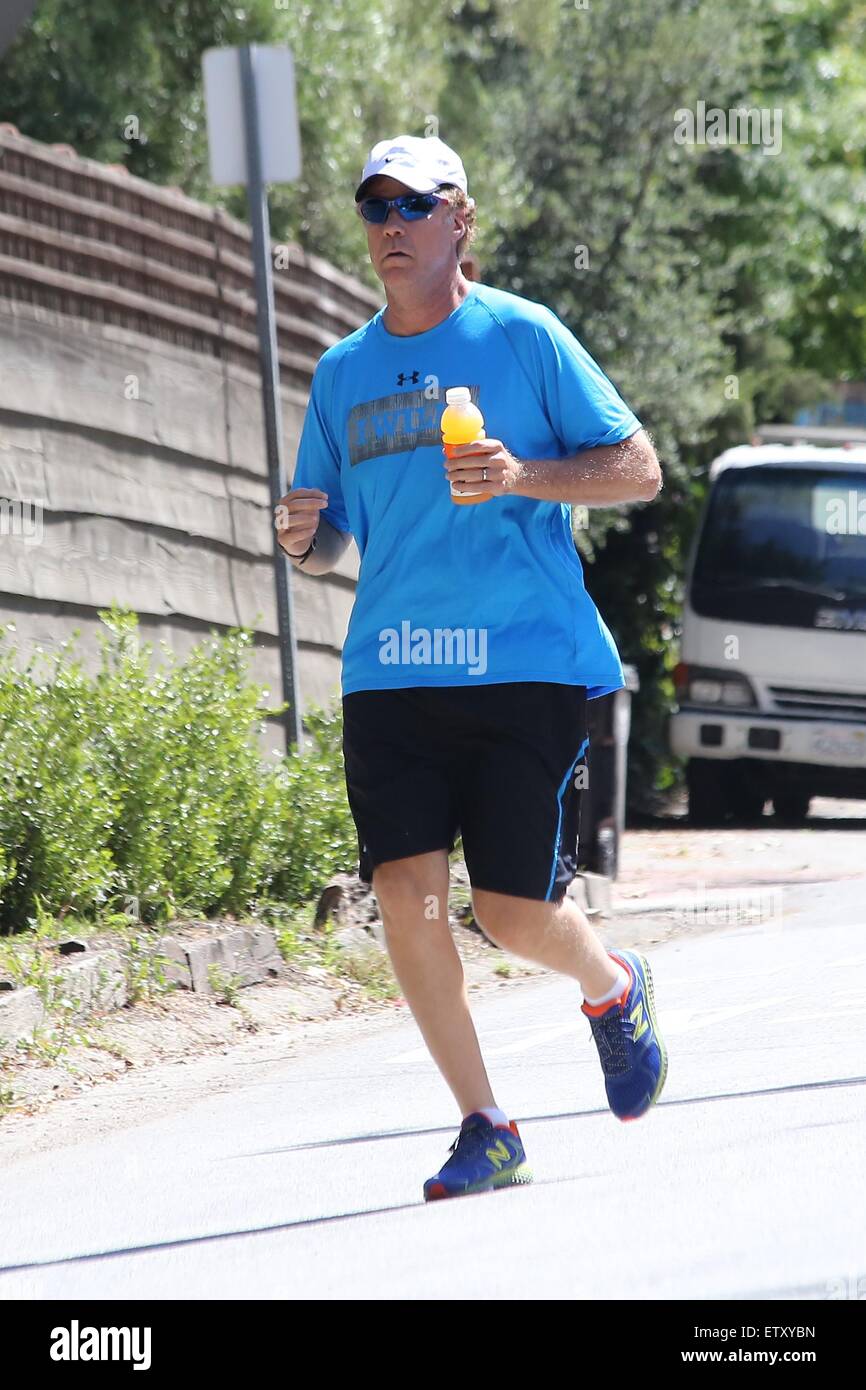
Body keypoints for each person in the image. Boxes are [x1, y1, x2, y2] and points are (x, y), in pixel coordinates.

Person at [275, 134, 668, 1201]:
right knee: (404, 898)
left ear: (461, 219)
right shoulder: (342, 372)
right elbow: (328, 533)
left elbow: (636, 470)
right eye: (373, 207)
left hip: (522, 664)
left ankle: (610, 983)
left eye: (412, 204)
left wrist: (521, 473)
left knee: (506, 909)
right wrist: (303, 532)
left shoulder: (523, 336)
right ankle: (484, 1123)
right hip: (391, 673)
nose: (389, 225)